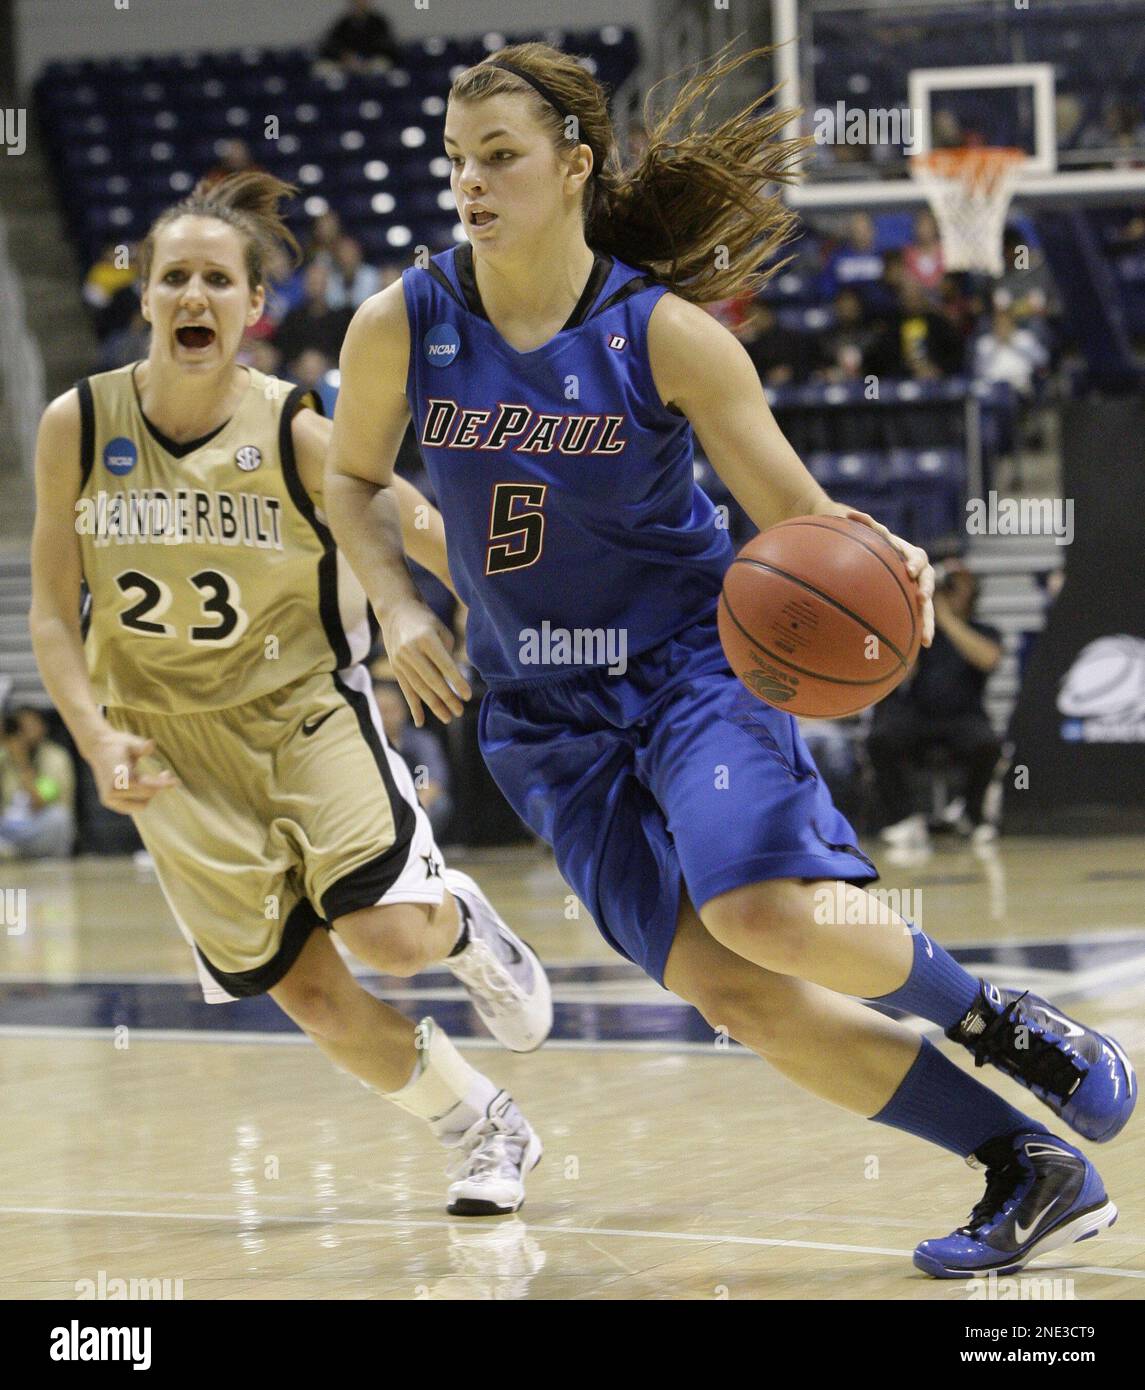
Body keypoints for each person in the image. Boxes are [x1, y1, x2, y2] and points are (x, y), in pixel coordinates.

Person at [324, 41, 1134, 1278]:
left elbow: (799, 518)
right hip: (538, 715)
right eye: (455, 160)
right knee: (733, 990)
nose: (469, 183)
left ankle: (1001, 1023)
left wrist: (888, 558)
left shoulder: (662, 335)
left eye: (498, 157)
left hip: (690, 667)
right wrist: (396, 602)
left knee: (760, 909)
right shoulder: (405, 321)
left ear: (574, 164)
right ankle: (1028, 1166)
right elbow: (350, 478)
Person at [28, 172, 552, 1217]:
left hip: (302, 712)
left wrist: (518, 619)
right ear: (145, 297)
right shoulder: (77, 426)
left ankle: (461, 925)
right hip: (164, 749)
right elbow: (51, 613)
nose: (193, 295)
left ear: (253, 306)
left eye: (218, 279)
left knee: (389, 941)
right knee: (306, 990)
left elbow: (421, 528)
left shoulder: (297, 431)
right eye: (174, 277)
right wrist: (93, 738)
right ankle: (484, 1128)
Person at [868, 562, 1004, 849]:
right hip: (919, 714)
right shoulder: (922, 631)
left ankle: (971, 814)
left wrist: (948, 619)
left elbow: (988, 659)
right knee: (881, 738)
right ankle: (903, 817)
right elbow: (901, 672)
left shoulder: (984, 630)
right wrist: (920, 620)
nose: (950, 591)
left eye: (957, 585)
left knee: (988, 744)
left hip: (964, 715)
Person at [373, 675, 454, 837]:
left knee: (439, 804)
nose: (385, 717)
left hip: (412, 804)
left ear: (404, 710)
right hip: (375, 804)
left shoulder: (420, 743)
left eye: (390, 710)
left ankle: (420, 845)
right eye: (379, 711)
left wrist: (414, 806)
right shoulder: (362, 744)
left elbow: (430, 778)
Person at [0, 707, 76, 859]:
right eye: (19, 728)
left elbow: (39, 802)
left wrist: (22, 762)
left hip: (39, 824)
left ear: (43, 728)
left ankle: (16, 854)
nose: (24, 733)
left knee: (59, 817)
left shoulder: (55, 757)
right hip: (9, 826)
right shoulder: (4, 756)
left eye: (30, 727)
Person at [317, 0, 401, 73]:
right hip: (347, 63)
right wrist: (344, 55)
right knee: (323, 68)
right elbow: (330, 44)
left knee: (380, 66)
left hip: (372, 62)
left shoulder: (378, 23)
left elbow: (388, 45)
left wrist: (369, 58)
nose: (360, 3)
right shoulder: (343, 24)